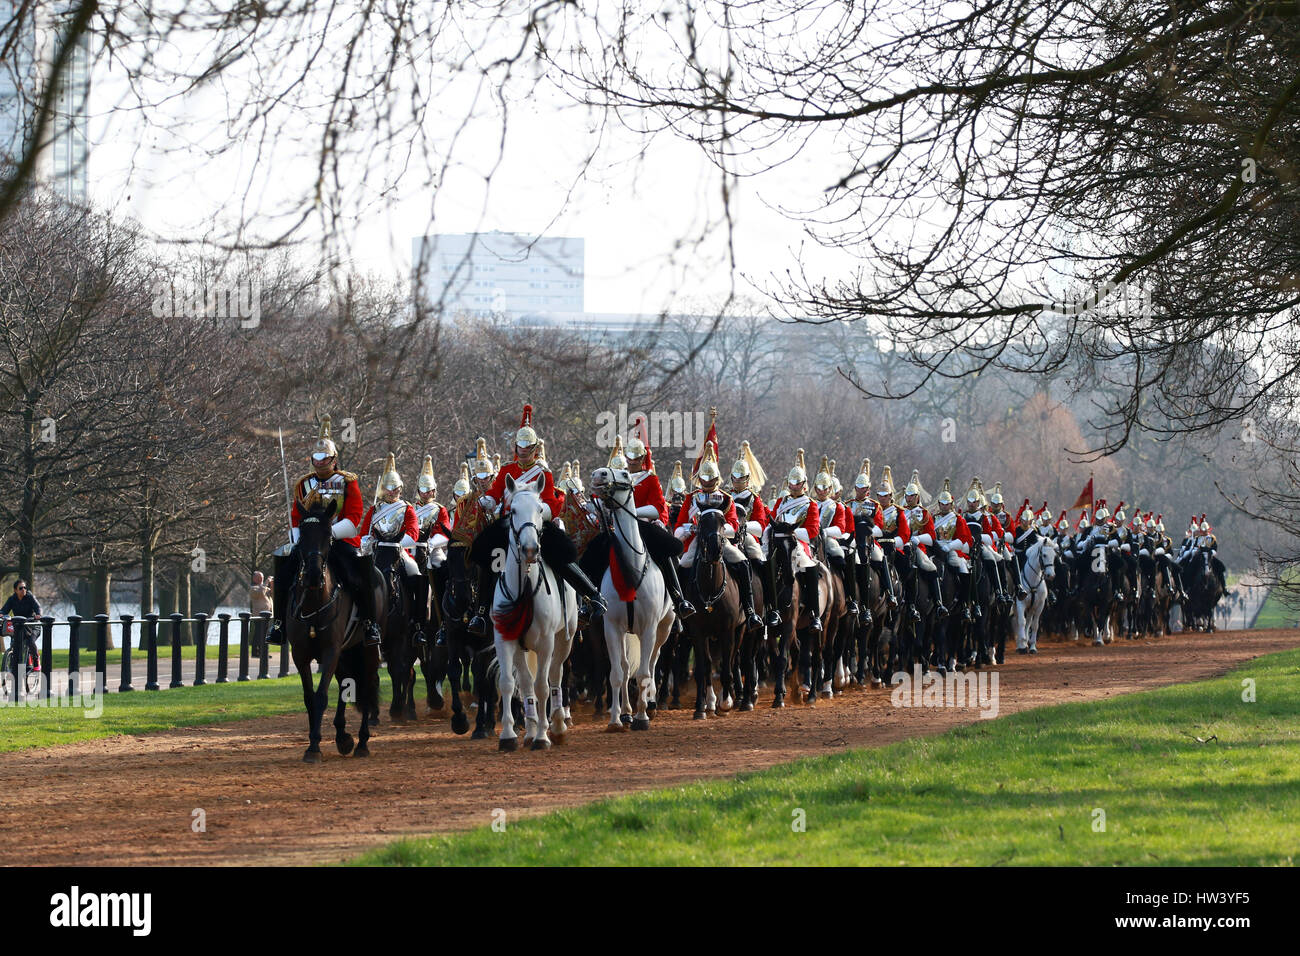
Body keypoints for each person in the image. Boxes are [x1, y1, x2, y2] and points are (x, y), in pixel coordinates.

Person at [468, 404, 606, 635]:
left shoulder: (544, 473)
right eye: (519, 447)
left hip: (536, 524)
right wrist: (487, 502)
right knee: (486, 553)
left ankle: (592, 594)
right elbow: (494, 493)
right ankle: (481, 613)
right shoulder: (506, 470)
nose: (523, 451)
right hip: (510, 523)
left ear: (535, 448)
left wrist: (537, 512)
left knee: (562, 552)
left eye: (527, 447)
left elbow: (552, 503)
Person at [266, 415, 381, 646]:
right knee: (283, 572)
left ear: (333, 459)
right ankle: (278, 624)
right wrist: (300, 540)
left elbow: (353, 517)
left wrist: (329, 534)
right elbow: (296, 516)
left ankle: (370, 624)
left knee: (358, 574)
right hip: (309, 543)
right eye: (316, 458)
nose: (319, 462)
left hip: (338, 540)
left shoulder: (347, 482)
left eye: (324, 458)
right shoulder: (303, 484)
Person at [579, 434, 696, 621]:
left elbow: (658, 508)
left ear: (643, 458)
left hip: (641, 526)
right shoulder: (614, 476)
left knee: (666, 553)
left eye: (636, 458)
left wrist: (631, 512)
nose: (632, 462)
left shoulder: (650, 479)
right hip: (615, 526)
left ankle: (678, 598)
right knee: (592, 552)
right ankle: (589, 600)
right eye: (630, 458)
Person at [673, 441, 759, 629]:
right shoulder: (691, 498)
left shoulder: (726, 499)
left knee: (743, 562)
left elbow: (734, 525)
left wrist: (719, 531)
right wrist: (690, 529)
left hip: (720, 541)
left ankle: (750, 610)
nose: (707, 483)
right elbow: (678, 526)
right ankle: (678, 608)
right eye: (704, 479)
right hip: (697, 540)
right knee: (683, 565)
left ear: (717, 479)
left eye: (710, 480)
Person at [359, 454, 427, 644]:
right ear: (383, 489)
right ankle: (364, 621)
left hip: (399, 551)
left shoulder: (407, 508)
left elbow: (413, 532)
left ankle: (418, 626)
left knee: (417, 577)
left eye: (395, 488)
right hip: (377, 551)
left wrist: (399, 543)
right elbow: (365, 532)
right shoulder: (375, 509)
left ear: (400, 489)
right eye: (388, 489)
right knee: (359, 577)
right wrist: (365, 540)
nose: (392, 492)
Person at [767, 449, 824, 632]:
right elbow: (773, 520)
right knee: (766, 563)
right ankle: (771, 607)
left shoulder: (810, 504)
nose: (793, 486)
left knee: (809, 566)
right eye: (791, 483)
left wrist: (792, 532)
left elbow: (813, 530)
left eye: (797, 483)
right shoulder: (781, 502)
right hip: (780, 541)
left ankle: (814, 614)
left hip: (799, 543)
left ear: (803, 484)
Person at [730, 441, 781, 627]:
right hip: (727, 535)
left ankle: (771, 607)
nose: (736, 482)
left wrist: (742, 526)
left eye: (740, 478)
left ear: (747, 478)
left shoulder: (754, 499)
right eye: (734, 478)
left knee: (762, 562)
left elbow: (760, 525)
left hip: (747, 536)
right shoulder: (725, 496)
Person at [1, 580, 41, 669]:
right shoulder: (12, 599)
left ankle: (36, 660)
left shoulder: (30, 597)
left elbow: (37, 607)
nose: (23, 589)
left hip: (32, 625)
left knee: (30, 641)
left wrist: (38, 614)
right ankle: (13, 665)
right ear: (15, 590)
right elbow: (4, 610)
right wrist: (1, 614)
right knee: (15, 642)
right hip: (19, 625)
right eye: (20, 588)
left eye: (24, 587)